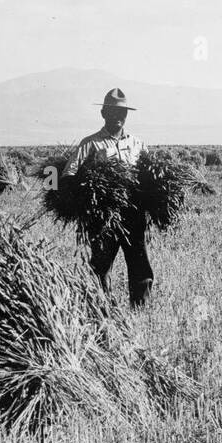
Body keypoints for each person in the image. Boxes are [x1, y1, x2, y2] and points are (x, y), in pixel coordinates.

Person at [61, 88, 153, 307]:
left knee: (141, 266)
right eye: (113, 112)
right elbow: (67, 174)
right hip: (103, 217)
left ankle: (141, 311)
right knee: (101, 268)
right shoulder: (90, 144)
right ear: (103, 114)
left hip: (133, 215)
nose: (118, 117)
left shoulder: (138, 144)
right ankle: (103, 311)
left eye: (123, 113)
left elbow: (150, 177)